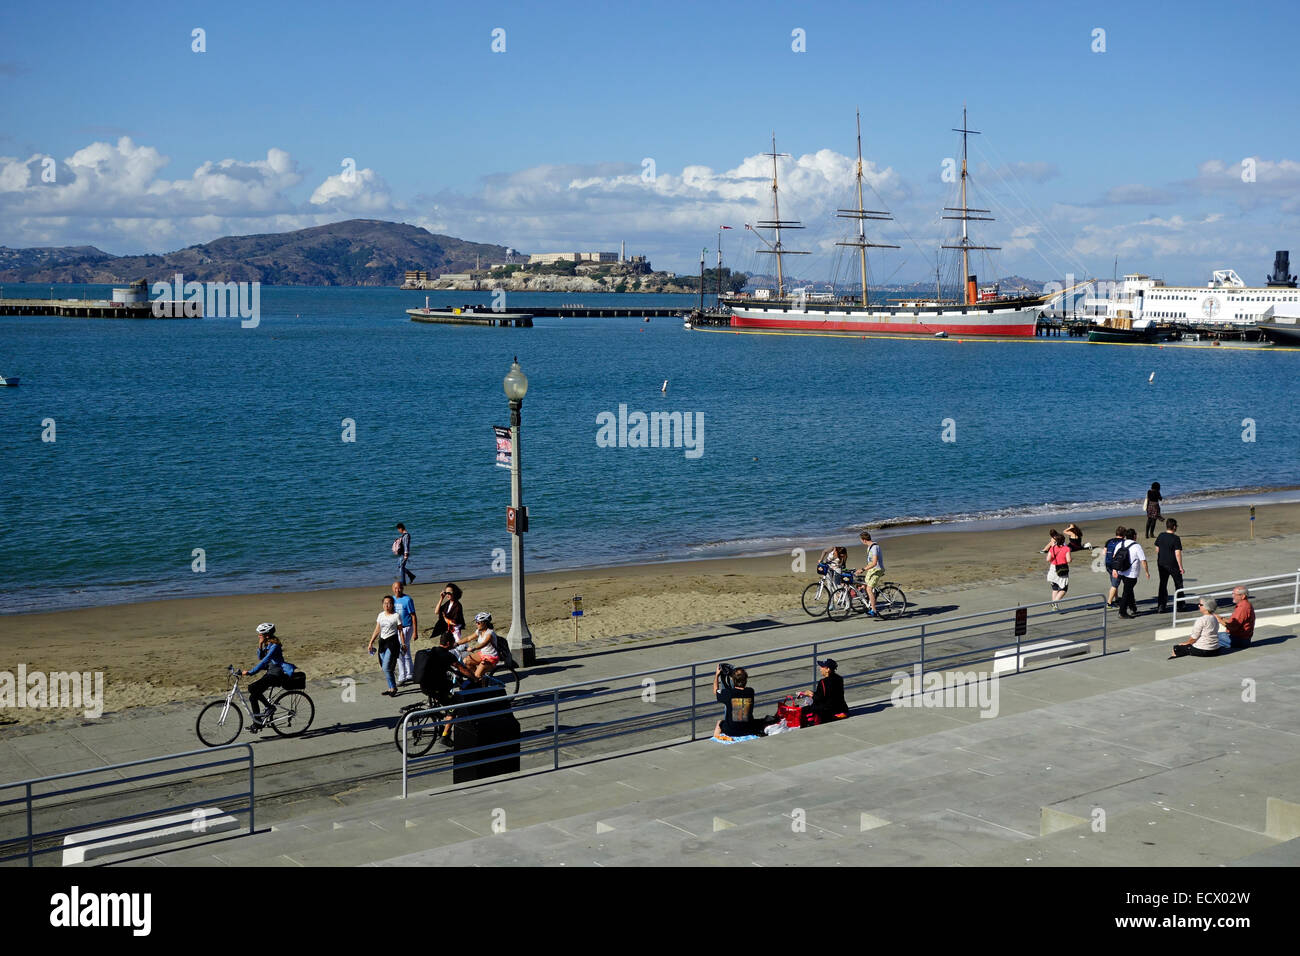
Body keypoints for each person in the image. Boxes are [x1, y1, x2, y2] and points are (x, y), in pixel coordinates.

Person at [240, 623, 296, 729]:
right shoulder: (268, 644)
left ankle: (269, 708)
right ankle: (258, 722)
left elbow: (264, 661)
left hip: (276, 675)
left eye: (260, 634)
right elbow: (261, 657)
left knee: (253, 689)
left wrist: (250, 672)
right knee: (253, 695)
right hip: (270, 673)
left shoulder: (274, 646)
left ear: (267, 635)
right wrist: (260, 645)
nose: (258, 636)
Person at [713, 664, 769, 738]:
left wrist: (717, 675)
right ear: (746, 680)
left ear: (733, 680)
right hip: (748, 729)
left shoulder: (728, 693)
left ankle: (718, 739)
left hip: (731, 731)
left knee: (719, 723)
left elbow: (715, 691)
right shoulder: (750, 691)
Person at [367, 594, 404, 696]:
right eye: (385, 603)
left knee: (386, 667)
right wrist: (371, 642)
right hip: (382, 643)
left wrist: (403, 643)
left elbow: (400, 631)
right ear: (382, 604)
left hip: (392, 643)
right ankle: (391, 687)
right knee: (386, 668)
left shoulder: (396, 616)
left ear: (392, 605)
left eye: (389, 603)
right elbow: (377, 629)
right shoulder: (381, 615)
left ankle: (393, 688)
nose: (387, 605)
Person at [1114, 528, 1149, 618]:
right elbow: (1143, 560)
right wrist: (1146, 572)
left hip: (1121, 571)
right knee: (1127, 592)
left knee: (1129, 590)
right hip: (1131, 573)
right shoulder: (1137, 546)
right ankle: (1122, 612)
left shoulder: (1120, 544)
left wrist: (1115, 569)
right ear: (1134, 536)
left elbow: (1115, 557)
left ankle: (1133, 607)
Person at [1154, 518, 1187, 615]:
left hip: (1161, 563)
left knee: (1163, 584)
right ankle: (1180, 605)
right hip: (1172, 564)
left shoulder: (1161, 535)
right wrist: (1181, 567)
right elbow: (1177, 553)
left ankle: (1161, 606)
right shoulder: (1175, 538)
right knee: (1178, 584)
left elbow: (1157, 549)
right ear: (1174, 527)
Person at [458, 611, 502, 682]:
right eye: (476, 622)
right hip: (482, 654)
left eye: (478, 622)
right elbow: (468, 638)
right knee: (466, 661)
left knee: (476, 676)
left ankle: (479, 681)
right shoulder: (479, 631)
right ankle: (479, 678)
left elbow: (484, 643)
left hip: (491, 657)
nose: (476, 624)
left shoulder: (489, 633)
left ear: (484, 623)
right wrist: (456, 643)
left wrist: (474, 648)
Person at [803, 659, 848, 723]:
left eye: (822, 667)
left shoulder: (823, 682)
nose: (820, 669)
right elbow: (829, 695)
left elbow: (819, 698)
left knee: (804, 710)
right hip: (840, 709)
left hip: (828, 712)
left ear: (828, 669)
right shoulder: (839, 678)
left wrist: (810, 694)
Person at [391, 580, 419, 685]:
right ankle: (410, 673)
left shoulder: (407, 600)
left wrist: (415, 631)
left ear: (402, 588)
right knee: (405, 650)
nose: (397, 590)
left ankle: (402, 676)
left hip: (406, 627)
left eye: (399, 588)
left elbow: (413, 616)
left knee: (401, 650)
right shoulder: (392, 600)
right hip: (396, 628)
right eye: (395, 588)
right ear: (392, 589)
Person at [855, 531, 885, 617]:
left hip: (878, 570)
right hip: (872, 570)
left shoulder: (874, 547)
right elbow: (870, 562)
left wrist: (863, 569)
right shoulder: (869, 547)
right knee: (863, 585)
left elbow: (874, 562)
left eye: (861, 540)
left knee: (869, 589)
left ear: (864, 540)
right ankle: (870, 601)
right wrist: (860, 570)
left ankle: (874, 610)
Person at [1044, 530, 1071, 610]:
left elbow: (1048, 559)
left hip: (1053, 568)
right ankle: (1055, 603)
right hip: (1062, 569)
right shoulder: (1066, 548)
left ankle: (1054, 605)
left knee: (1055, 588)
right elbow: (1069, 560)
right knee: (1064, 589)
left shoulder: (1052, 548)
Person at [1103, 525, 1127, 608]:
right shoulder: (1123, 542)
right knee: (1114, 584)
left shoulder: (1109, 541)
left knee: (1114, 582)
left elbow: (1104, 552)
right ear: (1124, 534)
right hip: (1116, 565)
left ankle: (1117, 599)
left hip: (1108, 564)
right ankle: (1109, 603)